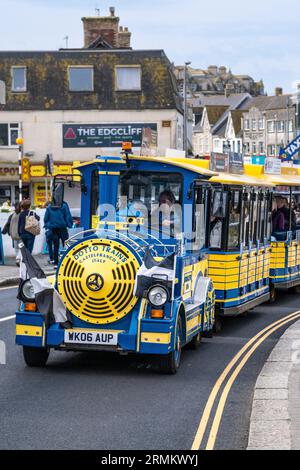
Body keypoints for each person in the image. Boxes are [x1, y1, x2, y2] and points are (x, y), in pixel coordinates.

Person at [44, 200, 73, 266]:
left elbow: (45, 218)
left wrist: (49, 225)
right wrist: (69, 224)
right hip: (63, 228)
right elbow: (67, 216)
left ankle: (56, 262)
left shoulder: (49, 207)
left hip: (53, 228)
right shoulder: (64, 205)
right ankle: (67, 261)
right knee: (66, 244)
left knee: (55, 246)